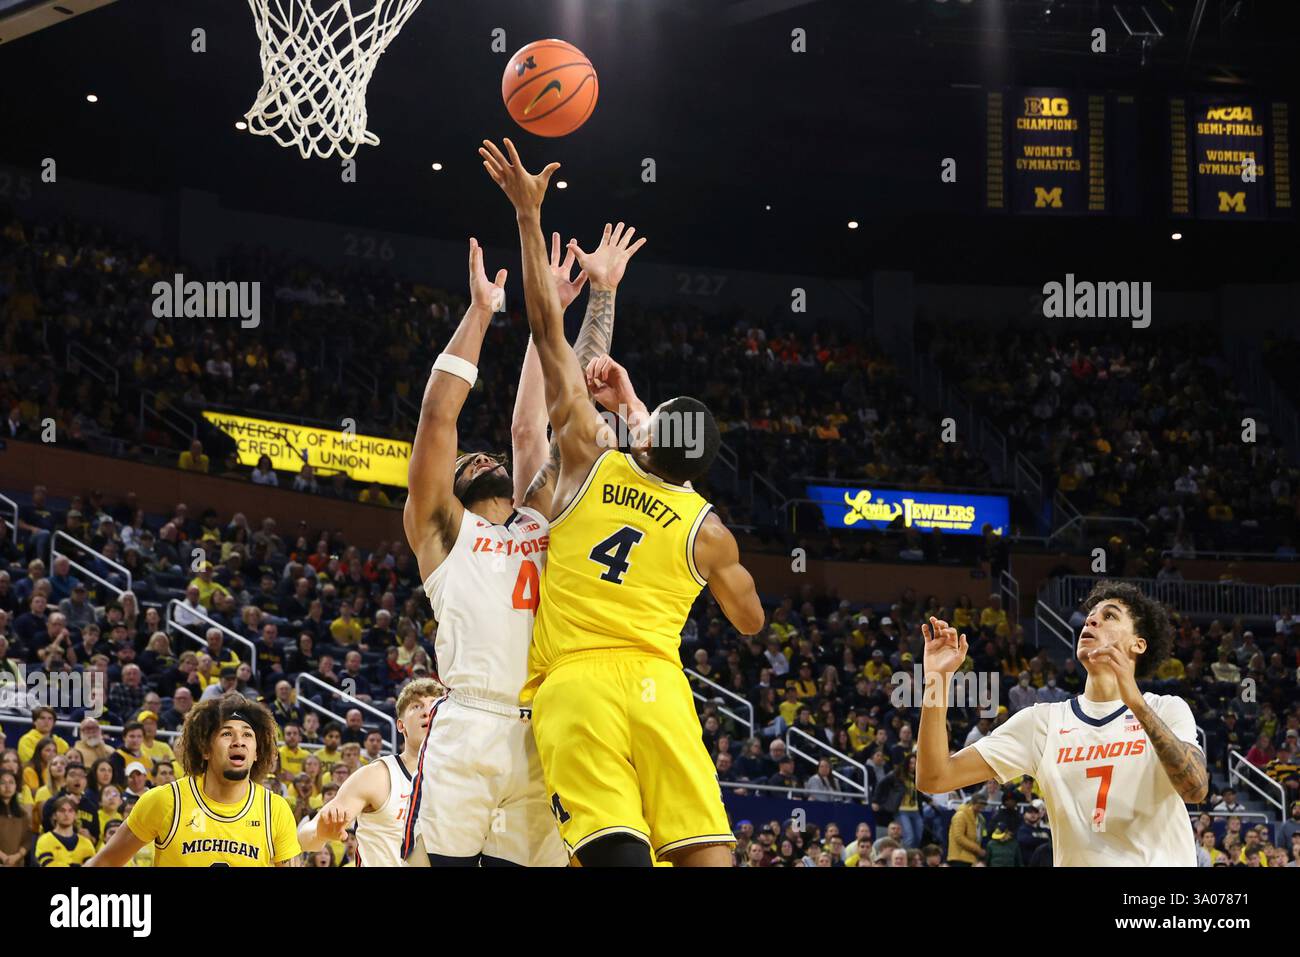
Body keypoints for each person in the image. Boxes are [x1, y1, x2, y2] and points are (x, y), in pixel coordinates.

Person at [479, 137, 763, 867]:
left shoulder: (588, 458)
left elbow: (547, 337)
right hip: (659, 685)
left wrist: (528, 215)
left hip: (576, 686)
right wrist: (642, 412)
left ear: (642, 431)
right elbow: (750, 619)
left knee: (611, 856)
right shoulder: (710, 531)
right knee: (706, 853)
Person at [399, 199, 630, 868]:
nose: (482, 457)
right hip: (468, 721)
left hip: (544, 729)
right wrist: (479, 313)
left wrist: (599, 300)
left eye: (487, 456)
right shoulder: (441, 531)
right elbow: (439, 418)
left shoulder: (541, 515)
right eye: (470, 461)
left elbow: (570, 404)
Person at [918, 581, 1206, 866]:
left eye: (1109, 616)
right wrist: (937, 680)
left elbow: (1195, 789)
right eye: (1091, 615)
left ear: (1138, 644)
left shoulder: (1165, 709)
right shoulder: (1042, 722)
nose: (1092, 619)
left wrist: (1136, 703)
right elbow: (935, 778)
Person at [87, 694, 302, 866]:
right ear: (205, 749)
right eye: (226, 734)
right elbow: (104, 862)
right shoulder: (165, 801)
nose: (239, 742)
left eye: (247, 735)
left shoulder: (275, 809)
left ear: (257, 753)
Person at [299, 678, 440, 866]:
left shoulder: (462, 779)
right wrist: (320, 834)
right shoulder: (377, 776)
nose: (427, 712)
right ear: (401, 725)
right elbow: (304, 837)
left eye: (434, 706)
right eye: (417, 707)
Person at [35, 796, 95, 867]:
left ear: (75, 815)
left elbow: (93, 865)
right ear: (54, 815)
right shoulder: (44, 840)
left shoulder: (86, 843)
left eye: (70, 811)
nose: (66, 814)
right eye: (62, 810)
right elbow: (48, 864)